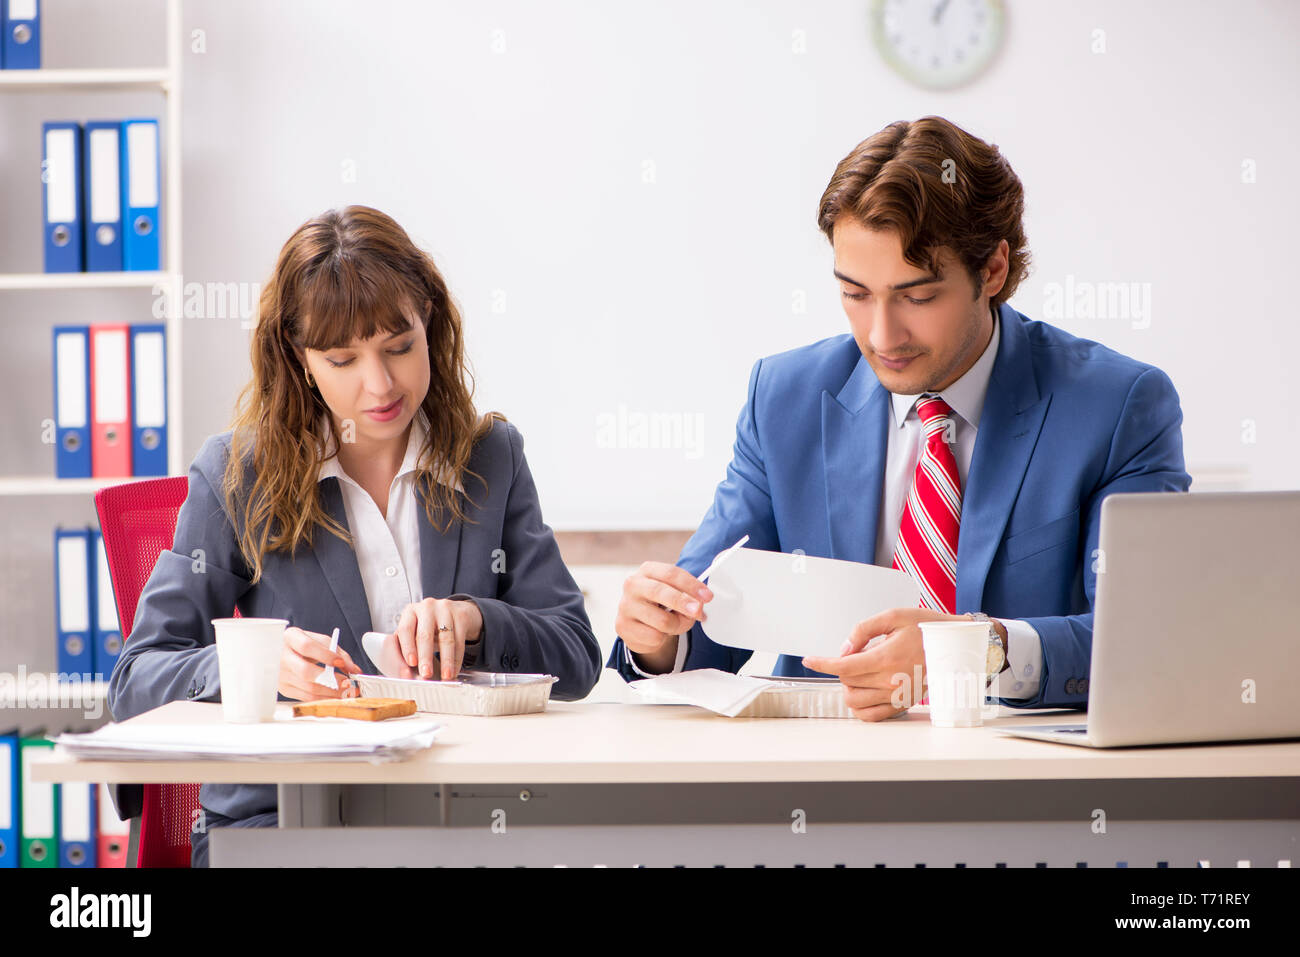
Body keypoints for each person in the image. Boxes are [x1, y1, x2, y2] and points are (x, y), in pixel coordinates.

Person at [608, 116, 1191, 720]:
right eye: (855, 295)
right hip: (822, 776)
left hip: (1024, 779)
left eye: (917, 297)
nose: (882, 336)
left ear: (992, 270)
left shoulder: (1118, 406)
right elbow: (711, 619)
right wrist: (659, 637)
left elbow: (1144, 641)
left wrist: (970, 650)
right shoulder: (785, 398)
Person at [107, 205, 600, 866]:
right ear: (299, 357)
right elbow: (134, 679)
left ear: (431, 322)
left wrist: (475, 620)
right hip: (283, 829)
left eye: (399, 345)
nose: (381, 384)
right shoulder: (236, 474)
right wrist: (257, 664)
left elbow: (576, 655)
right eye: (343, 358)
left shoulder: (491, 457)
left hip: (463, 821)